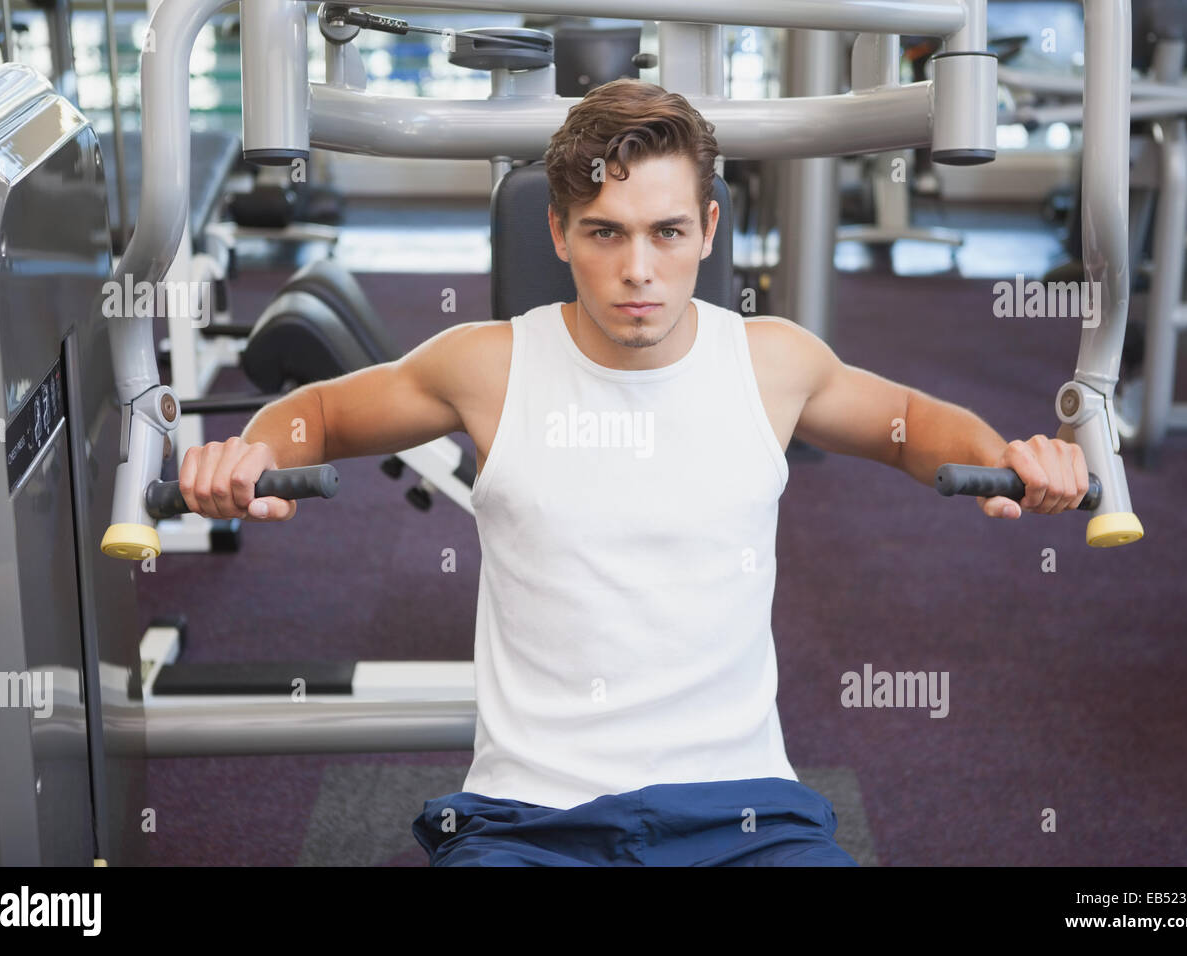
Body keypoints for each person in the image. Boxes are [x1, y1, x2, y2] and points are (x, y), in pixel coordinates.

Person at [176, 78, 1091, 867]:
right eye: (605, 233)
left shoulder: (771, 362)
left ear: (709, 229)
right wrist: (253, 452)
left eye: (667, 232)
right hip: (531, 817)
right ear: (559, 231)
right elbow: (325, 412)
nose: (638, 271)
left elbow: (909, 424)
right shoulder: (490, 365)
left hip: (744, 813)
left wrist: (1007, 459)